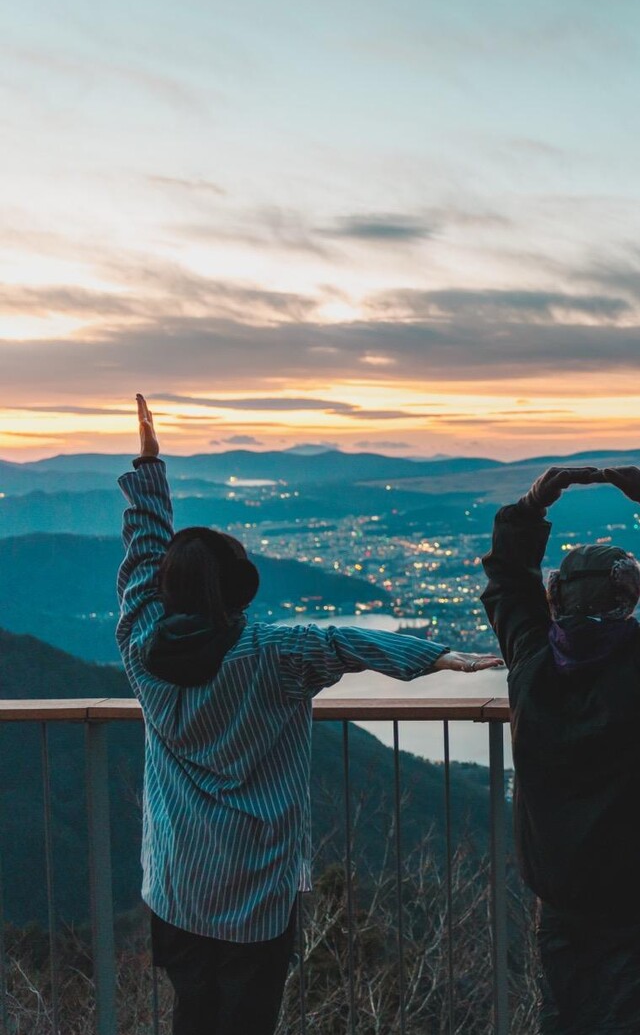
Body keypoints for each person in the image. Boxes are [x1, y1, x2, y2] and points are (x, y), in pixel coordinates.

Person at [115, 395, 501, 1035]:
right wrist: (438, 657)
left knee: (193, 1011)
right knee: (248, 1017)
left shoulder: (139, 647)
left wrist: (148, 471)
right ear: (237, 589)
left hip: (178, 884)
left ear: (168, 591)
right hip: (254, 891)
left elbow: (141, 557)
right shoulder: (271, 654)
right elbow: (345, 641)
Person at [480, 462, 640, 1034]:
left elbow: (507, 587)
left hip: (562, 901)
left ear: (555, 599)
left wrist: (529, 510)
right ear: (628, 597)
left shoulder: (532, 667)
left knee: (567, 1017)